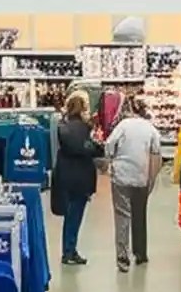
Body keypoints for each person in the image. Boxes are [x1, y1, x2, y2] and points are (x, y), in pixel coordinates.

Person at [105, 96, 161, 271]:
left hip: (121, 176)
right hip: (141, 177)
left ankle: (123, 257)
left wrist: (112, 160)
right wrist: (151, 180)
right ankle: (140, 253)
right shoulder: (151, 129)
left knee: (122, 215)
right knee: (140, 215)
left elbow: (109, 145)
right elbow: (156, 155)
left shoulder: (123, 126)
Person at [53, 91, 104, 266]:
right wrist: (98, 146)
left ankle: (69, 250)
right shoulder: (84, 129)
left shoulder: (62, 126)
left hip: (65, 176)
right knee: (75, 216)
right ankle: (69, 251)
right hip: (81, 178)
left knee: (70, 216)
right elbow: (89, 149)